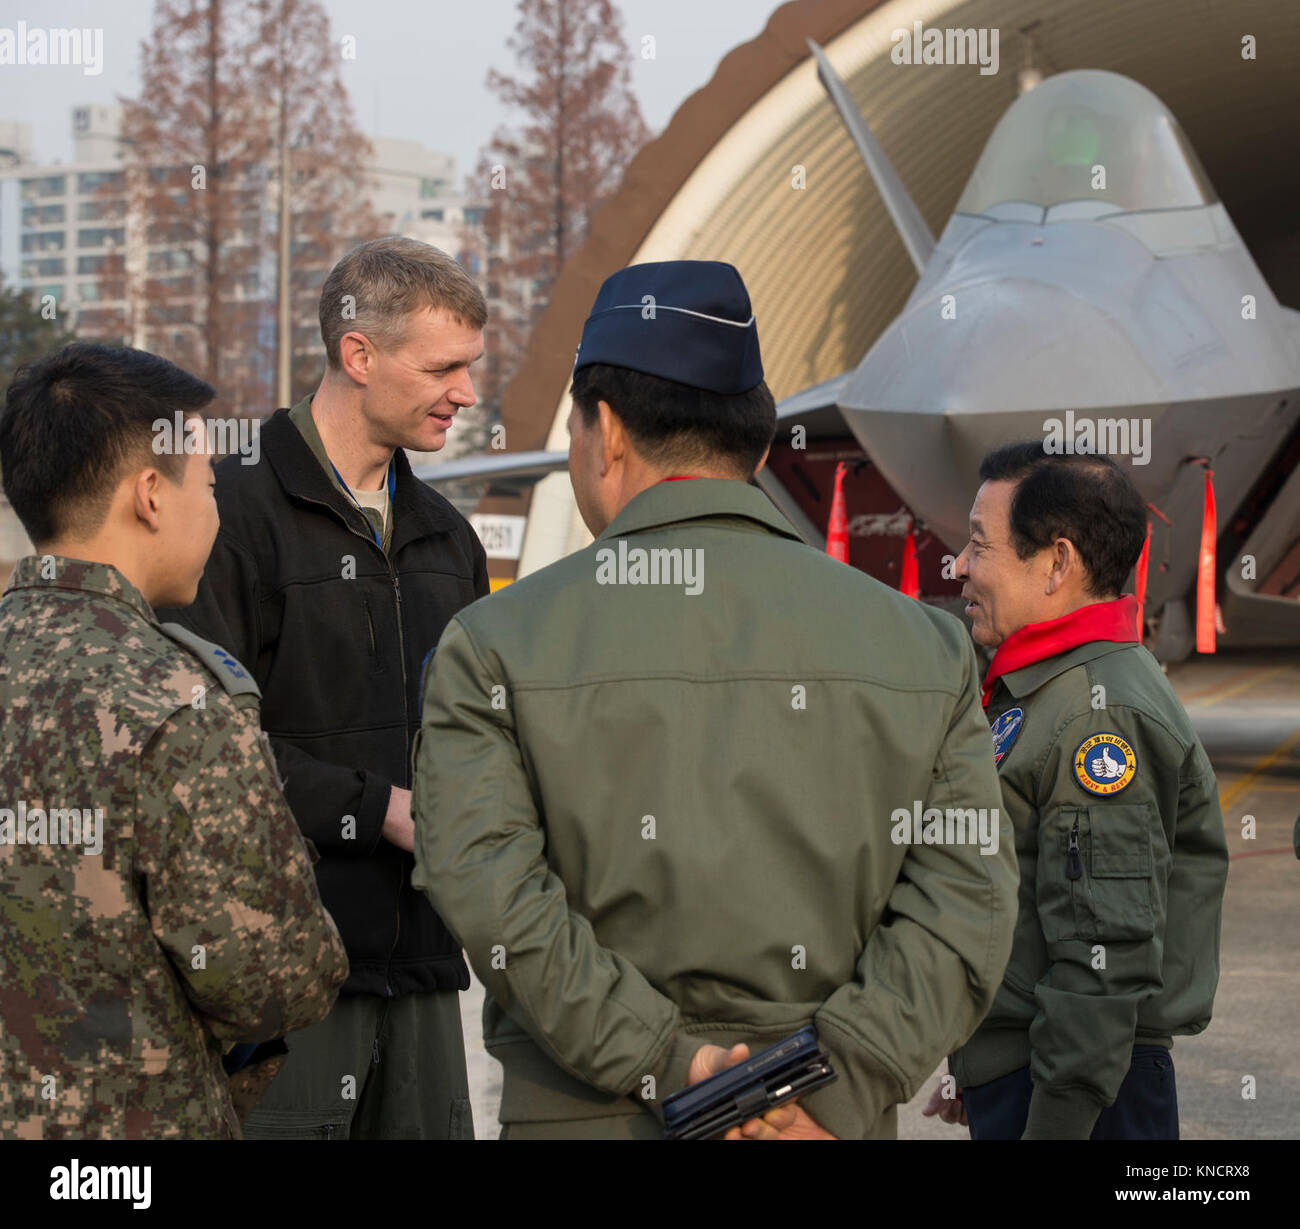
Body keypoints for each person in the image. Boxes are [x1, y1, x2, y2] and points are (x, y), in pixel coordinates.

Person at [411, 260, 1019, 1139]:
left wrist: (674, 1064)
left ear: (606, 431)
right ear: (760, 443)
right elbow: (968, 899)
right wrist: (835, 1085)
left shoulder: (495, 646)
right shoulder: (923, 646)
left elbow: (492, 894)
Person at [157, 237, 489, 1140]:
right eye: (444, 366)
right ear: (358, 354)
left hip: (423, 971)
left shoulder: (450, 539)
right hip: (282, 984)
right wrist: (380, 807)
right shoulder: (227, 520)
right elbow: (201, 749)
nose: (466, 391)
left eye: (471, 366)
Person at [0, 343, 347, 1139]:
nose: (216, 510)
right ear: (151, 495)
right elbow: (277, 980)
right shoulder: (178, 701)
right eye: (211, 483)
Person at [923, 440, 1229, 1139]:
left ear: (1058, 562)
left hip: (1085, 1096)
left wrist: (1054, 1117)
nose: (961, 565)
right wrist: (980, 1065)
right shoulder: (1050, 692)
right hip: (1040, 1073)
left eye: (978, 544)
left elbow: (1103, 959)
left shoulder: (1097, 715)